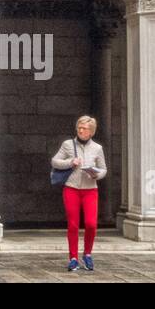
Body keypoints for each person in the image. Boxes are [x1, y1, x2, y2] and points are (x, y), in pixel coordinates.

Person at [51, 114, 107, 272]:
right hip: (71, 189)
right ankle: (73, 258)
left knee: (91, 224)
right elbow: (54, 161)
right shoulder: (68, 145)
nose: (81, 131)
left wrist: (96, 174)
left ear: (91, 132)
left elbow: (104, 169)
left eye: (85, 129)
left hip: (90, 190)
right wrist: (70, 162)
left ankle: (87, 254)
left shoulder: (97, 148)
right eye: (79, 128)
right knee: (73, 224)